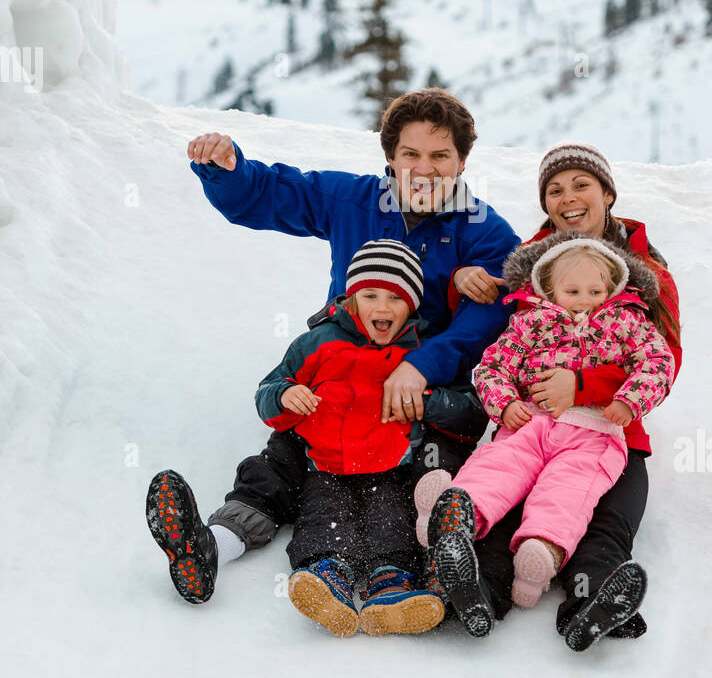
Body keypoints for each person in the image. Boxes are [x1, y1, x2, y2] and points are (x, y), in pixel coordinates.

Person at [146, 90, 520, 603]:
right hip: (340, 369)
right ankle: (214, 543)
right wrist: (230, 170)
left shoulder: (486, 231)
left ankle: (427, 567)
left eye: (440, 156)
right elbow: (280, 193)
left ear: (461, 161)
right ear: (391, 157)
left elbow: (485, 323)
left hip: (421, 385)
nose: (424, 169)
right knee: (284, 460)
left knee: (421, 470)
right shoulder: (358, 200)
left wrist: (419, 367)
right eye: (411, 154)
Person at [147, 242, 488, 636]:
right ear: (351, 298)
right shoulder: (319, 342)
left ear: (412, 305)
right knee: (320, 517)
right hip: (320, 461)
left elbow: (470, 414)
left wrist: (427, 402)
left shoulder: (426, 351)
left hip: (392, 463)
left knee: (392, 519)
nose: (382, 307)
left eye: (396, 298)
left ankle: (393, 588)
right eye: (370, 295)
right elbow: (269, 389)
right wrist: (284, 395)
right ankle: (315, 578)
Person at [443, 142, 683, 651]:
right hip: (531, 425)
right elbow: (490, 336)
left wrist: (585, 387)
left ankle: (591, 602)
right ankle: (476, 591)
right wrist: (458, 282)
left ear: (608, 193)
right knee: (506, 504)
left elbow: (665, 361)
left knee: (606, 520)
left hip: (610, 432)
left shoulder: (647, 276)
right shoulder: (532, 267)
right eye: (555, 190)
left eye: (581, 185)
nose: (568, 198)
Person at [415, 235, 674, 633]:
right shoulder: (531, 321)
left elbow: (659, 361)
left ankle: (541, 552)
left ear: (613, 289)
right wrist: (503, 404)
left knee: (566, 494)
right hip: (532, 421)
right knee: (498, 466)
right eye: (573, 291)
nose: (585, 300)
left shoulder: (626, 320)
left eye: (596, 290)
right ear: (549, 289)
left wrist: (629, 400)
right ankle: (454, 515)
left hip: (593, 431)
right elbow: (490, 368)